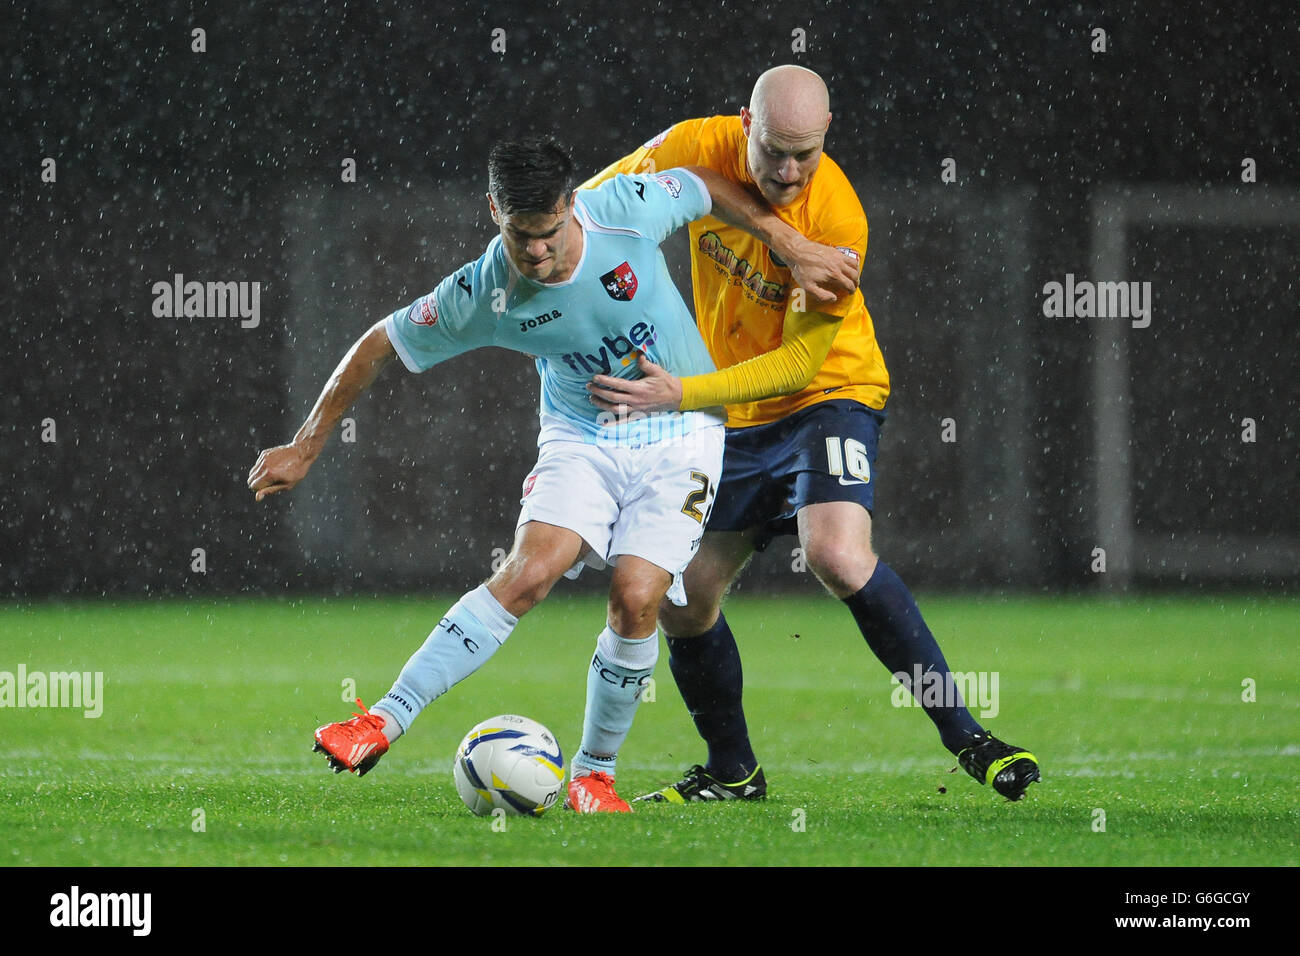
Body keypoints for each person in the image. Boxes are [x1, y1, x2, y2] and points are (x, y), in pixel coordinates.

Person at [246, 135, 852, 813]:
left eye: (549, 232)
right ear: (493, 212)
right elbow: (379, 343)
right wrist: (307, 443)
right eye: (518, 234)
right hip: (582, 437)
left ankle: (594, 775)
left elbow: (706, 185)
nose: (535, 252)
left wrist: (789, 244)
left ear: (572, 205)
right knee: (527, 574)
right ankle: (382, 720)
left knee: (637, 597)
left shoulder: (625, 207)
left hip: (681, 436)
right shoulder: (484, 290)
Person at [584, 65, 1041, 802]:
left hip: (826, 394)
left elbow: (796, 362)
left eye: (807, 152)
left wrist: (678, 392)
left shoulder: (838, 219)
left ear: (827, 138)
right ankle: (734, 771)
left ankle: (971, 740)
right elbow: (594, 206)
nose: (790, 170)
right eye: (774, 151)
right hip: (729, 411)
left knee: (833, 552)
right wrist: (768, 235)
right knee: (680, 598)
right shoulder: (692, 146)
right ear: (744, 125)